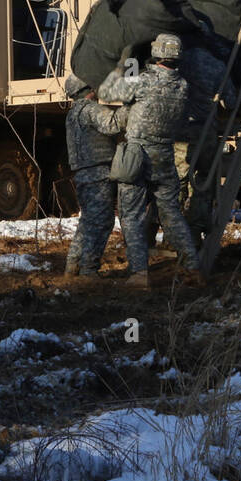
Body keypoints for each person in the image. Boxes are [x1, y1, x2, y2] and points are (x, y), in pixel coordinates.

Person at [98, 33, 200, 289]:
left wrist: (122, 66)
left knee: (131, 215)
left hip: (137, 156)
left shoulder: (143, 81)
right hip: (165, 156)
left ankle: (139, 274)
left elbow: (106, 92)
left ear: (157, 53)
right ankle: (193, 268)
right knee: (171, 214)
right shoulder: (183, 86)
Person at [63, 76, 128, 279]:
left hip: (83, 173)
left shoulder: (72, 114)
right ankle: (89, 269)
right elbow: (113, 124)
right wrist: (131, 105)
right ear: (88, 89)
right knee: (103, 221)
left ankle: (72, 264)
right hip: (98, 172)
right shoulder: (91, 109)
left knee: (88, 221)